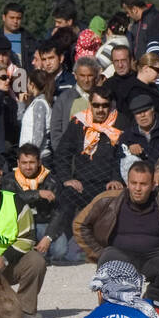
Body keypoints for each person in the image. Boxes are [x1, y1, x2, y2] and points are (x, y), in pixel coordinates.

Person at [74, 160, 159, 303]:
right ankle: (112, 301)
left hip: (154, 255)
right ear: (127, 183)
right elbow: (80, 224)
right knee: (108, 261)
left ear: (153, 185)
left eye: (143, 184)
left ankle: (152, 299)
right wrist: (97, 253)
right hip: (119, 255)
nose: (137, 188)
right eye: (133, 183)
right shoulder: (108, 200)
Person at [50, 88, 125, 262]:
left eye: (105, 106)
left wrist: (116, 178)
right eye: (96, 105)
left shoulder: (120, 123)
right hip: (81, 183)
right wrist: (67, 178)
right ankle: (59, 245)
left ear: (110, 106)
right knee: (66, 198)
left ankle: (110, 249)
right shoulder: (79, 123)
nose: (100, 110)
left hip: (108, 183)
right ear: (90, 104)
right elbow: (62, 153)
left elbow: (122, 156)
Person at [0, 173, 47, 318]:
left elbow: (28, 239)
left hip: (8, 264)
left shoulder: (16, 203)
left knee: (36, 261)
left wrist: (4, 258)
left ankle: (25, 308)